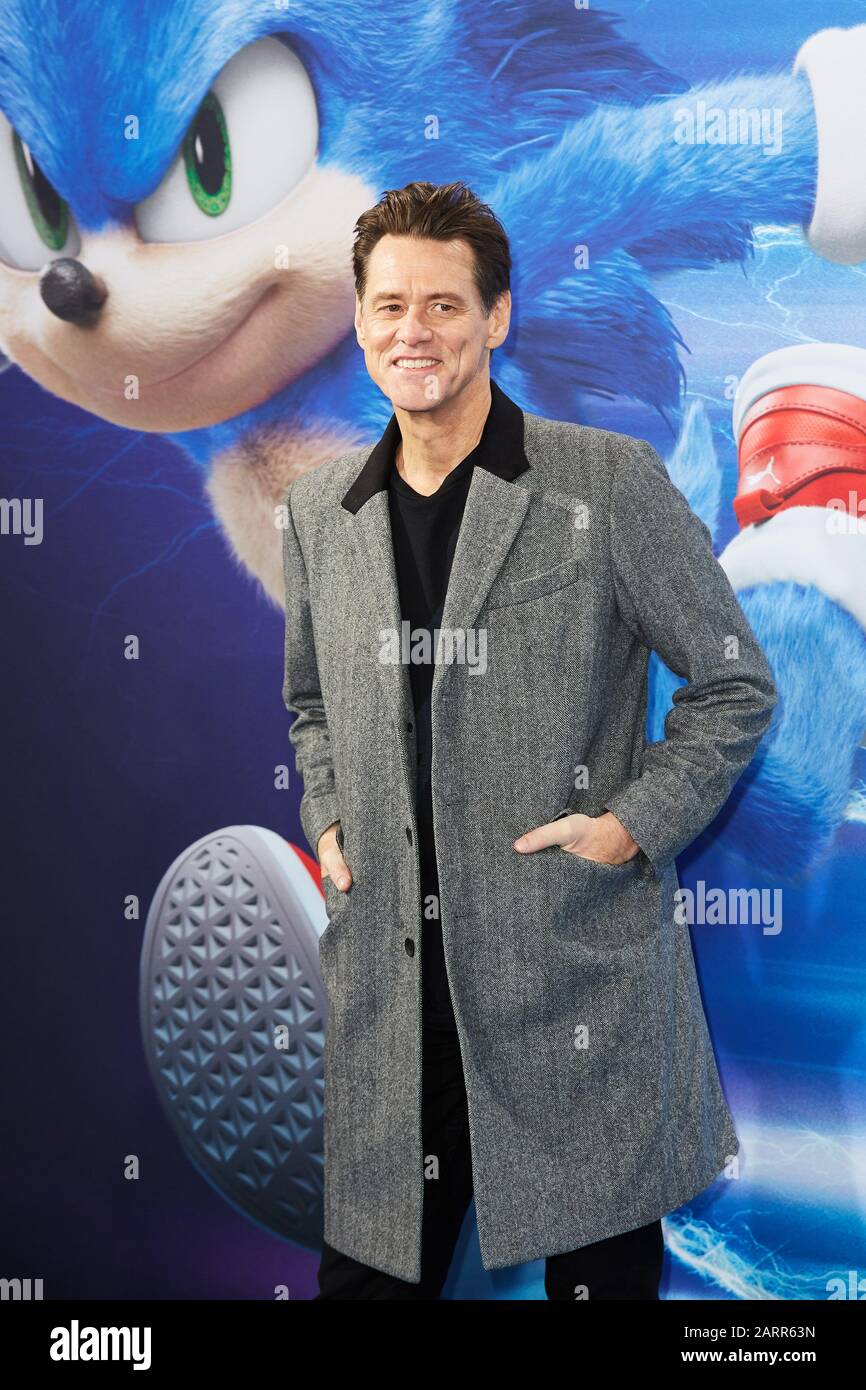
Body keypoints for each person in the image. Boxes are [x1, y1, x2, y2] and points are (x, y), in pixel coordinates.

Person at [281, 180, 777, 1299]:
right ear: (359, 322)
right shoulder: (320, 511)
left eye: (445, 306)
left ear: (496, 317)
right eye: (391, 306)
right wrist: (327, 818)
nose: (416, 332)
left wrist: (628, 827)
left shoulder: (604, 481)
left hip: (569, 982)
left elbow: (732, 685)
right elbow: (309, 702)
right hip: (394, 1004)